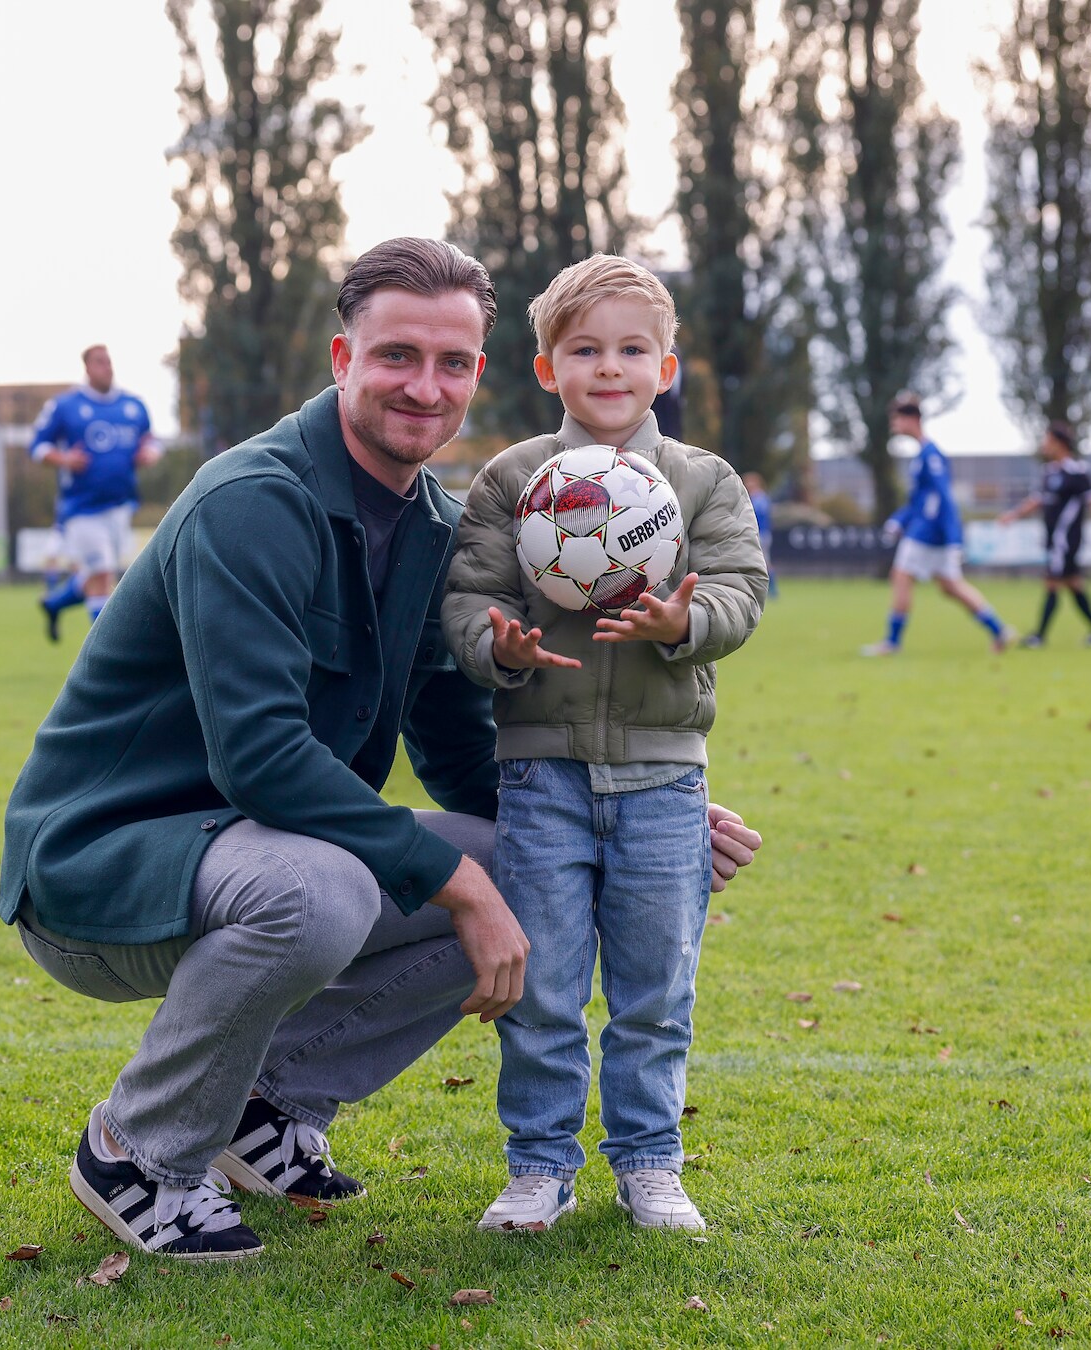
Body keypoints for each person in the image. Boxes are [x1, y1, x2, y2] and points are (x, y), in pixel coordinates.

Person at [0, 238, 763, 1262]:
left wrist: (625, 812)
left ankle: (268, 1111)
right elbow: (261, 759)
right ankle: (140, 1151)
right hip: (107, 866)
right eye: (396, 355)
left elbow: (454, 743)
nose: (424, 386)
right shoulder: (252, 503)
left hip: (257, 845)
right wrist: (457, 886)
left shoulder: (433, 525)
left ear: (479, 375)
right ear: (340, 358)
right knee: (330, 893)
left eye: (451, 363)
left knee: (527, 862)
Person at [442, 255, 766, 1235]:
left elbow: (742, 592)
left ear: (667, 367)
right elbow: (469, 600)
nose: (610, 368)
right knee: (541, 989)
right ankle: (539, 1167)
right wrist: (497, 646)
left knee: (654, 988)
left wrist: (684, 625)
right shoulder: (511, 480)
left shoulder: (700, 481)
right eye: (585, 349)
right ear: (547, 368)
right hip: (541, 772)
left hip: (665, 778)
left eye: (632, 349)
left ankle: (650, 1164)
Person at [862, 392, 1013, 657]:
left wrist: (954, 537)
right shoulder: (922, 455)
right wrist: (899, 520)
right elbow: (919, 501)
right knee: (950, 586)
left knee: (901, 576)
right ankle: (999, 630)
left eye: (897, 418)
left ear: (913, 419)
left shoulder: (931, 455)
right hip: (928, 530)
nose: (894, 424)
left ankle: (892, 643)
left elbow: (944, 497)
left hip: (928, 532)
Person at [28, 345, 160, 640]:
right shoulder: (66, 406)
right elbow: (36, 446)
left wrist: (150, 453)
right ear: (87, 368)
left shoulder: (132, 405)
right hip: (81, 507)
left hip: (121, 505)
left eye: (109, 361)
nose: (107, 367)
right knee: (102, 575)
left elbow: (152, 440)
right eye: (99, 362)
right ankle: (108, 657)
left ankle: (53, 604)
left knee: (97, 576)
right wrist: (63, 460)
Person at [998, 420, 1091, 647]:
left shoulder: (1078, 472)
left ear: (1059, 443)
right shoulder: (1049, 472)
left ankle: (1039, 636)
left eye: (1047, 440)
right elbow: (1036, 501)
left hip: (1066, 540)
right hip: (1053, 539)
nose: (1044, 445)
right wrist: (1012, 516)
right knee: (1073, 584)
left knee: (1052, 582)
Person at [743, 469, 777, 599]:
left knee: (764, 561)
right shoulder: (756, 498)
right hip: (758, 534)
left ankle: (772, 589)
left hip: (761, 534)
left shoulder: (759, 499)